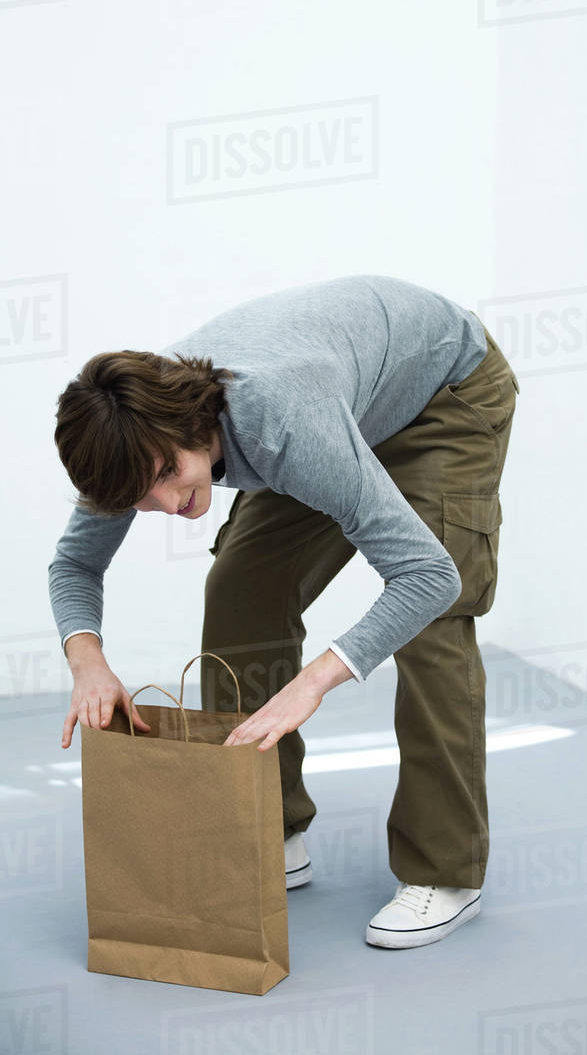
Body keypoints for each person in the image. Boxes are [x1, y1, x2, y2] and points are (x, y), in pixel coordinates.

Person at [49, 272, 519, 949]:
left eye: (162, 479)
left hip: (440, 395)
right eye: (138, 501)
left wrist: (313, 682)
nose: (160, 504)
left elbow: (427, 577)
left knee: (432, 625)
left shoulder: (282, 422)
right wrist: (86, 661)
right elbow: (73, 563)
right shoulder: (126, 445)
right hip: (342, 407)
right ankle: (271, 825)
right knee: (240, 590)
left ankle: (445, 872)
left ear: (190, 424)